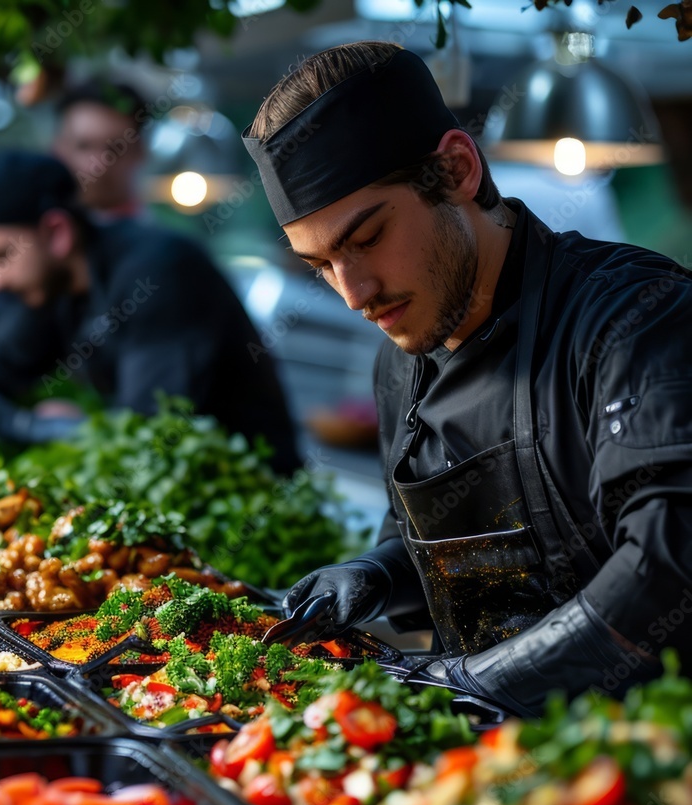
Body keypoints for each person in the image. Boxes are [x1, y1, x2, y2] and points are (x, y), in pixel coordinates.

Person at [245, 41, 692, 716]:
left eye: (366, 238)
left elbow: (666, 566)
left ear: (455, 169)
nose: (353, 293)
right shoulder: (400, 363)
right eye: (321, 265)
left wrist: (469, 682)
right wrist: (378, 574)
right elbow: (454, 553)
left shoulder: (636, 318)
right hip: (485, 768)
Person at [0, 150, 301, 474]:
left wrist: (24, 426)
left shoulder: (160, 271)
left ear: (56, 232)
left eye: (0, 257)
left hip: (246, 493)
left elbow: (149, 435)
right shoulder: (54, 286)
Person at [51, 76, 149, 221]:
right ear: (57, 148)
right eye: (83, 146)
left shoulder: (160, 240)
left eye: (116, 149)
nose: (98, 165)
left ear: (140, 152)